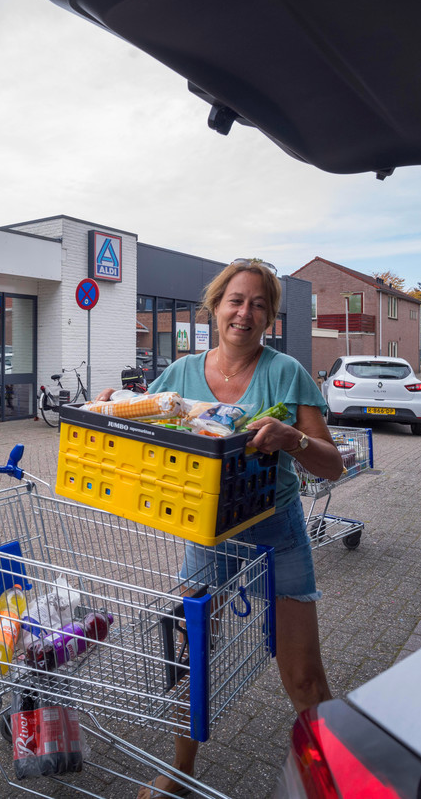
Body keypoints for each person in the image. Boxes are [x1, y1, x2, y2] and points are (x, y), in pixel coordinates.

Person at [96, 259, 345, 799]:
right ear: (214, 306)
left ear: (271, 317)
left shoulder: (287, 374)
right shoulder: (179, 376)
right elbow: (137, 438)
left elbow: (332, 465)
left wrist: (293, 440)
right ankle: (182, 772)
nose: (245, 312)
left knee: (303, 677)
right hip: (206, 536)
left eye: (259, 304)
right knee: (190, 658)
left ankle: (333, 777)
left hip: (275, 530)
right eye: (236, 300)